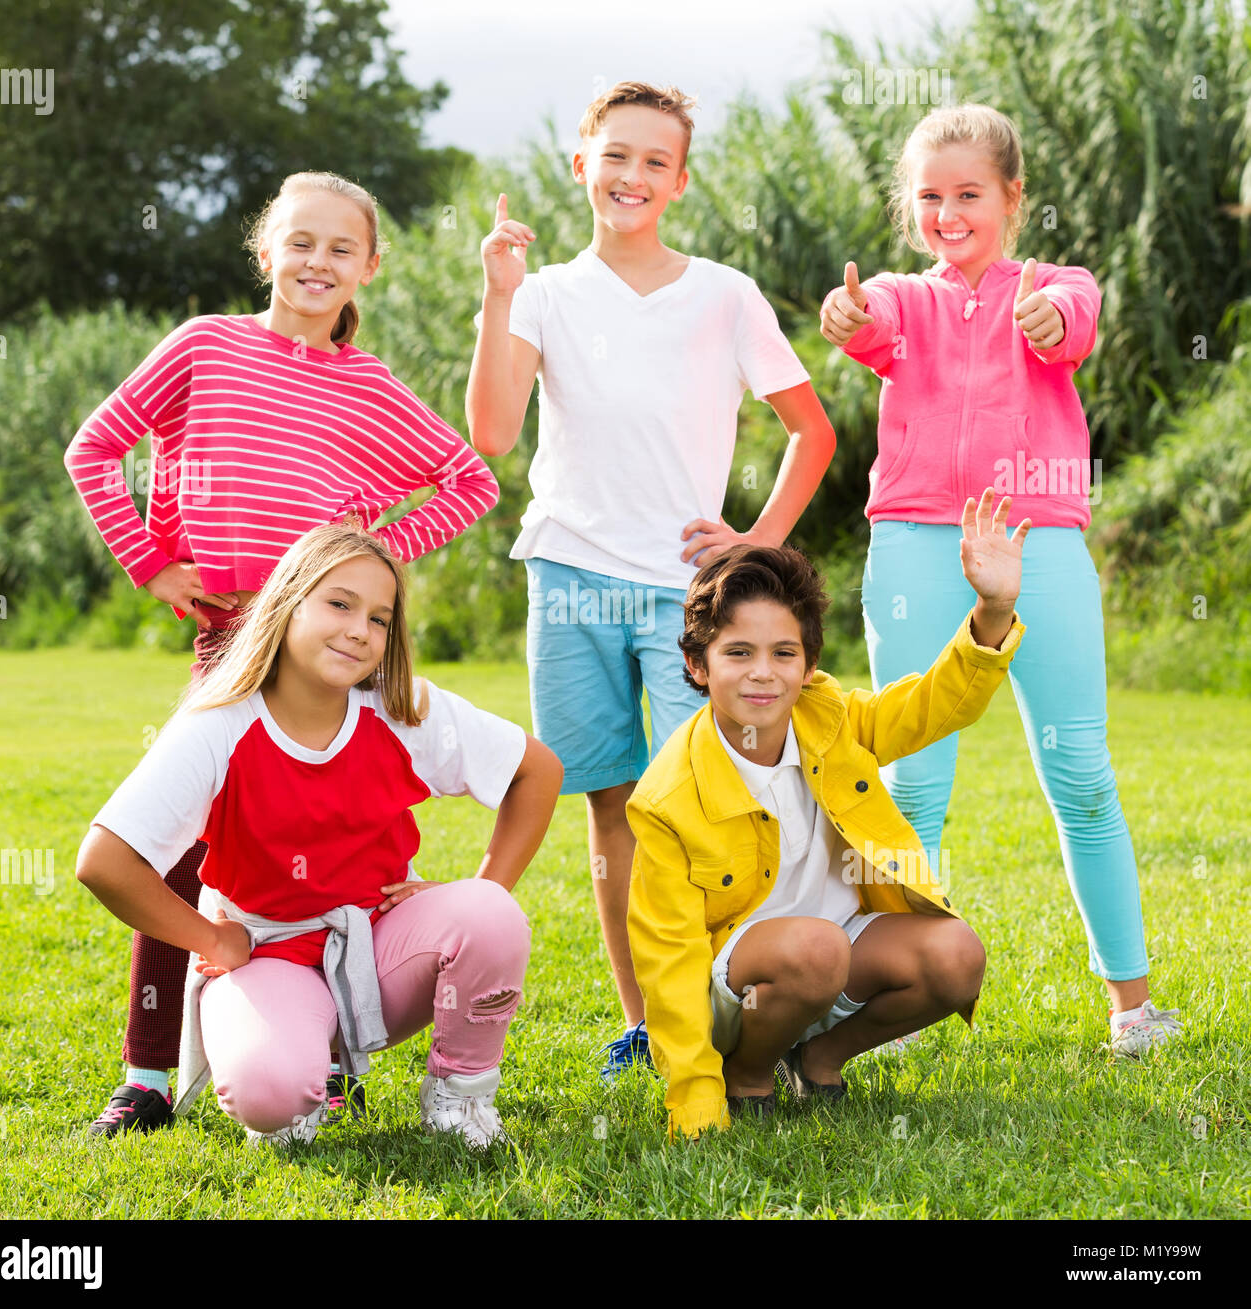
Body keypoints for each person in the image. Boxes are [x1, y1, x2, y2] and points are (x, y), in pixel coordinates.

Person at [65, 171, 501, 1135]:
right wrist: (152, 563)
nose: (318, 263)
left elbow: (469, 483)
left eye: (342, 249)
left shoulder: (370, 387)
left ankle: (331, 1049)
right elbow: (95, 448)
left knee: (337, 851)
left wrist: (366, 569)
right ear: (266, 252)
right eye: (300, 242)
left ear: (370, 269)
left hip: (331, 663)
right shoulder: (205, 345)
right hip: (229, 649)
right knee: (178, 848)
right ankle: (146, 1076)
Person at [466, 81, 837, 1076]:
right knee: (611, 806)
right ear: (579, 164)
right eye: (614, 155)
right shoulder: (541, 294)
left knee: (702, 805)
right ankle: (648, 1021)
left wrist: (755, 543)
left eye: (653, 161)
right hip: (567, 577)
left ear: (680, 179)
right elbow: (493, 435)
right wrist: (498, 294)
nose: (631, 176)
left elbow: (815, 431)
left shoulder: (723, 293)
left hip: (685, 592)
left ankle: (730, 1006)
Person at [819, 103, 1179, 1056]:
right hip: (914, 543)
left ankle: (1133, 1008)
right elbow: (868, 329)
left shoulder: (1059, 283)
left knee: (1082, 778)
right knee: (909, 786)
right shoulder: (904, 295)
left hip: (1040, 541)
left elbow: (1072, 330)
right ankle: (891, 1006)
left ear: (1012, 198)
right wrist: (846, 313)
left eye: (969, 194)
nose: (949, 212)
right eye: (930, 196)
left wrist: (1048, 314)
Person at [74, 520, 563, 1148]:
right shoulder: (218, 726)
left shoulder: (399, 706)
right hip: (266, 951)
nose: (361, 630)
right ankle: (298, 1064)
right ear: (287, 602)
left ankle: (459, 1096)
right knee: (271, 1097)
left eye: (380, 619)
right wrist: (211, 939)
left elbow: (536, 771)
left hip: (377, 941)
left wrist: (486, 888)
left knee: (489, 913)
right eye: (340, 604)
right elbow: (104, 860)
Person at [627, 491, 1026, 1139]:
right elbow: (667, 966)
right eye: (738, 653)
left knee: (956, 953)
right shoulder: (668, 795)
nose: (763, 674)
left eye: (784, 653)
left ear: (808, 664)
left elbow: (932, 706)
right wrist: (694, 1102)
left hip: (836, 955)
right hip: (736, 989)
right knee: (816, 945)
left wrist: (994, 608)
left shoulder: (828, 713)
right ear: (698, 665)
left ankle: (819, 1058)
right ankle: (749, 1072)